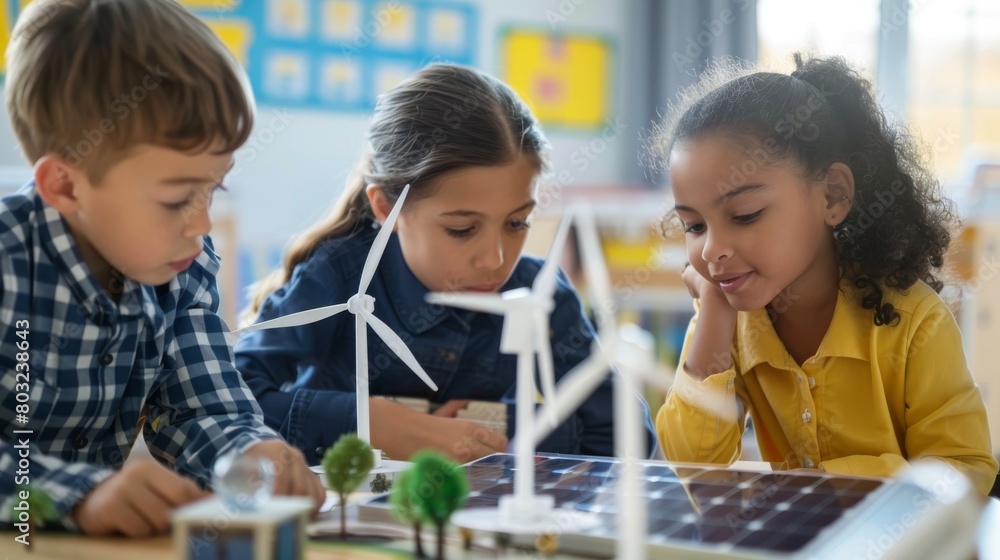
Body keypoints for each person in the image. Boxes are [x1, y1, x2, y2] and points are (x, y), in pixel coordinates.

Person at [0, 0, 324, 535]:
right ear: (65, 185)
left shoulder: (183, 270)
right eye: (176, 200)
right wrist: (78, 495)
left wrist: (252, 453)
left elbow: (203, 412)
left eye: (214, 189)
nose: (202, 224)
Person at [236, 63, 656, 466]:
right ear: (387, 208)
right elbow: (227, 402)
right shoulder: (337, 274)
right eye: (462, 229)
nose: (495, 259)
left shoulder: (538, 294)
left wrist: (495, 428)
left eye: (517, 223)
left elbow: (628, 438)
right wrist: (371, 423)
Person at [653, 54, 997, 494]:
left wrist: (827, 482)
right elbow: (692, 466)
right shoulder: (724, 315)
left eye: (744, 214)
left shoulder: (916, 323)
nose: (711, 250)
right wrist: (714, 315)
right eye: (694, 226)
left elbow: (965, 469)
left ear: (832, 196)